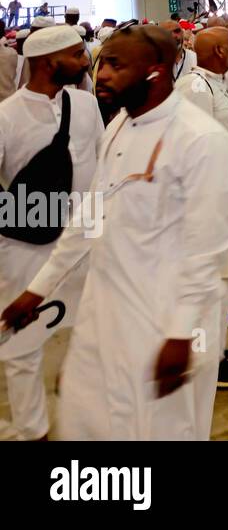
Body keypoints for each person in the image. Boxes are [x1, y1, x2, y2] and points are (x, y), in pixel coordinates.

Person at [2, 25, 228, 440]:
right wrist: (38, 289)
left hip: (169, 322)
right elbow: (90, 217)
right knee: (89, 423)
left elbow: (206, 253)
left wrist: (181, 334)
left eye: (115, 64)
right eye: (102, 61)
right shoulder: (117, 128)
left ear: (155, 73)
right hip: (105, 312)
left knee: (168, 429)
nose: (100, 73)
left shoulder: (201, 140)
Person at [0, 26, 102, 441]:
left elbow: (99, 168)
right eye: (77, 54)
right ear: (48, 62)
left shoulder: (85, 104)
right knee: (24, 345)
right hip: (26, 246)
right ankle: (32, 429)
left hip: (84, 244)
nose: (85, 61)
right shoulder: (7, 116)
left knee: (86, 331)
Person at [177, 27, 228, 390]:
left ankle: (218, 350)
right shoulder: (195, 88)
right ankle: (204, 361)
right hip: (212, 205)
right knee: (211, 289)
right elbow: (193, 148)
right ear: (222, 51)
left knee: (224, 286)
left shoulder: (215, 83)